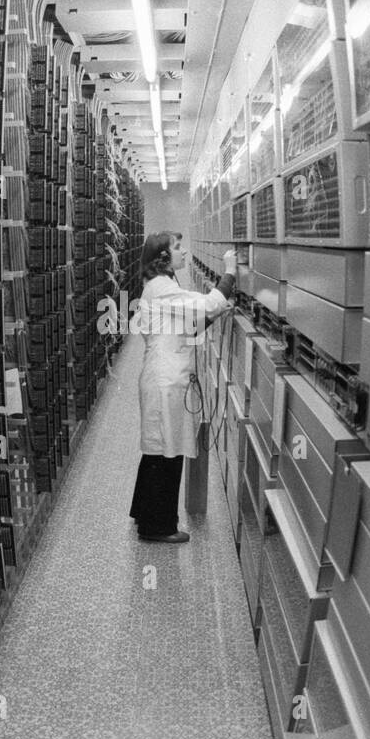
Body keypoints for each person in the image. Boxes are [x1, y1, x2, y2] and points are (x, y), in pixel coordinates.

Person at [127, 232, 237, 543]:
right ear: (163, 257)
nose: (184, 252)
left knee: (158, 450)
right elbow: (209, 301)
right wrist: (229, 272)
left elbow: (187, 328)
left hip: (163, 375)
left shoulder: (161, 287)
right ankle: (158, 528)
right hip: (165, 380)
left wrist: (215, 315)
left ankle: (143, 513)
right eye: (177, 248)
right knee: (167, 452)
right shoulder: (162, 288)